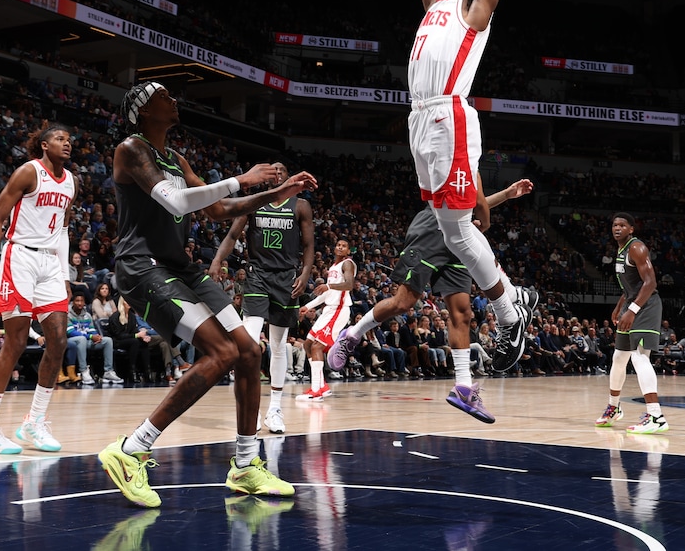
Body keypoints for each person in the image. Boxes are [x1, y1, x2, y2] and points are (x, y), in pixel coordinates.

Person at [97, 81, 317, 509]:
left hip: (181, 267)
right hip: (144, 267)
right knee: (221, 354)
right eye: (164, 94)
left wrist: (276, 193)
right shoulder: (131, 149)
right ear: (143, 110)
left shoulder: (175, 158)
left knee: (249, 352)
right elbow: (178, 203)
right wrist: (243, 178)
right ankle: (132, 449)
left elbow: (217, 210)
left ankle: (245, 465)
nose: (173, 98)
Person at [401, 0, 536, 375]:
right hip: (419, 121)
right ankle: (510, 303)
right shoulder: (436, 3)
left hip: (450, 118)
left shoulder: (480, 0)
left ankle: (507, 308)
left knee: (460, 225)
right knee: (453, 229)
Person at [328, 177, 534, 422]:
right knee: (403, 303)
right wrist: (485, 220)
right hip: (431, 230)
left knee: (462, 313)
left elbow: (473, 205)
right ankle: (352, 334)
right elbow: (479, 208)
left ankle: (464, 387)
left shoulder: (467, 156)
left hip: (461, 235)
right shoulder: (456, 150)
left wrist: (506, 194)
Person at [0, 125, 75, 455]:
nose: (66, 144)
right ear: (44, 145)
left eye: (69, 140)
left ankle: (33, 423)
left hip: (51, 264)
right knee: (16, 341)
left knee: (58, 340)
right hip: (20, 255)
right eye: (60, 139)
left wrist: (65, 272)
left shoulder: (71, 181)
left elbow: (65, 230)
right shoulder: (29, 172)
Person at [209, 161, 315, 434]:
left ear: (289, 177)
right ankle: (251, 409)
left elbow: (309, 245)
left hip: (286, 278)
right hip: (257, 275)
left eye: (282, 169)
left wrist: (305, 274)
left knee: (278, 345)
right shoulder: (255, 203)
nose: (277, 172)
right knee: (250, 342)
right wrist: (218, 260)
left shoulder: (300, 206)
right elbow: (233, 234)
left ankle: (275, 409)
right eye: (273, 170)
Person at [594, 212, 669, 434]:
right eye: (614, 224)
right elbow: (631, 287)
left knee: (639, 356)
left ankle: (656, 416)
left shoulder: (636, 248)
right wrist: (620, 306)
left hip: (646, 306)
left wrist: (632, 310)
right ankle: (614, 407)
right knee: (618, 358)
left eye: (622, 225)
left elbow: (650, 282)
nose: (617, 228)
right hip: (632, 302)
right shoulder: (620, 250)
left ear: (631, 229)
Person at [295, 240, 356, 402]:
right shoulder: (333, 268)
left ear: (348, 250)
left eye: (344, 245)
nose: (340, 247)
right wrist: (307, 306)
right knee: (307, 344)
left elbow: (349, 285)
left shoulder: (347, 264)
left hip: (338, 310)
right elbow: (326, 294)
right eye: (338, 245)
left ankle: (316, 390)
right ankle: (321, 386)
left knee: (317, 346)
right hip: (328, 309)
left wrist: (328, 287)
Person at [66, 292, 121, 386]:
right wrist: (91, 337)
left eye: (81, 301)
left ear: (84, 303)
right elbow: (71, 332)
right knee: (81, 339)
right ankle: (83, 371)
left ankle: (108, 371)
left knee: (107, 340)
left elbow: (92, 329)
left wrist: (97, 337)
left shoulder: (87, 315)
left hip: (85, 340)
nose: (79, 303)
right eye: (77, 301)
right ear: (73, 302)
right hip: (71, 341)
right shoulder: (68, 315)